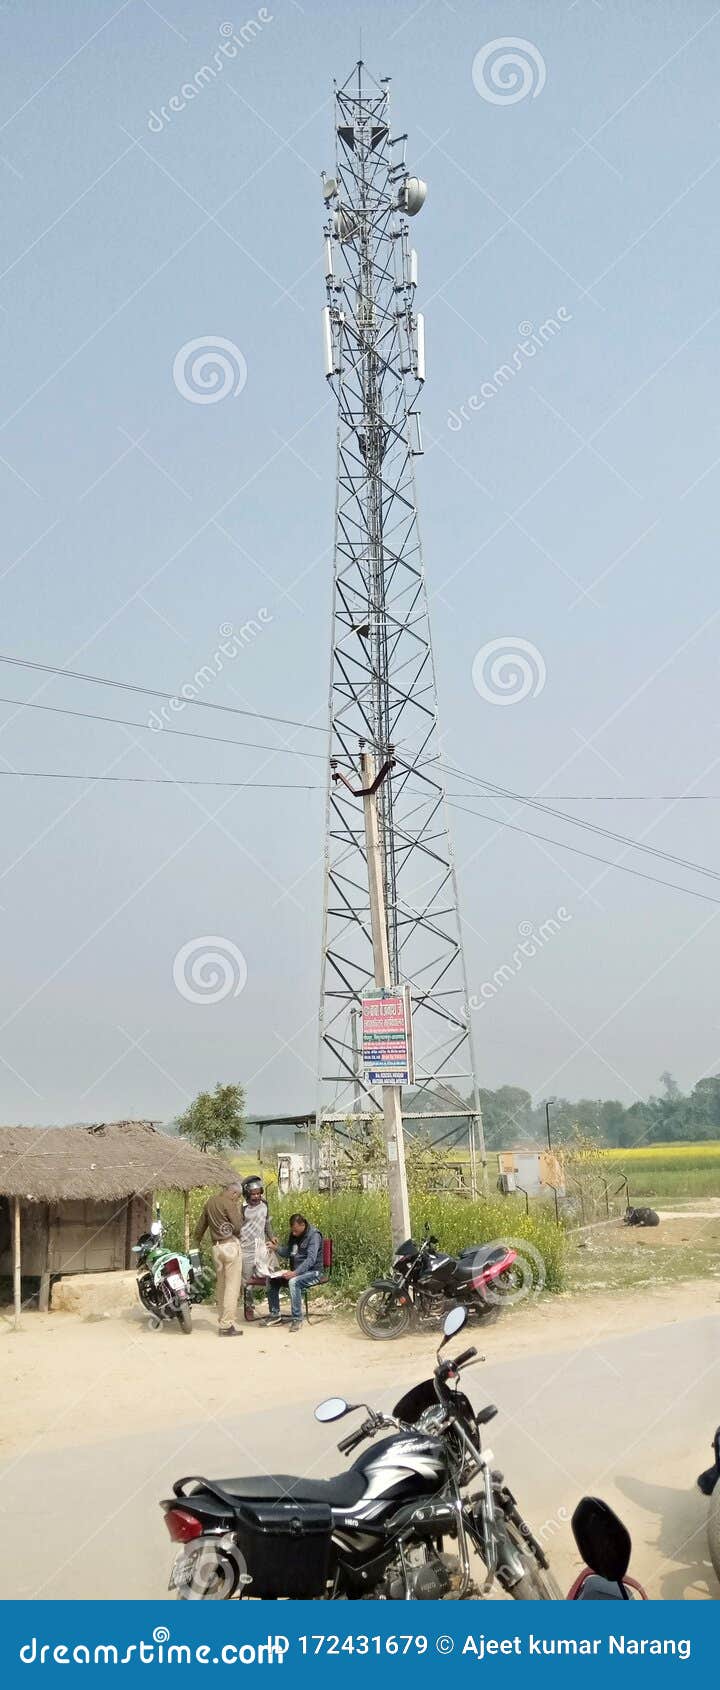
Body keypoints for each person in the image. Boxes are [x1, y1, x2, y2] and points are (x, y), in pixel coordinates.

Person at [194, 1180, 244, 1337]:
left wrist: (196, 1243)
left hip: (216, 1248)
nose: (237, 1199)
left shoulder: (210, 1202)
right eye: (238, 1196)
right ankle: (226, 1325)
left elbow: (200, 1227)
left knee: (221, 1285)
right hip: (230, 1246)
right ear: (234, 1192)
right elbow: (237, 1227)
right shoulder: (229, 1203)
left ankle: (222, 1319)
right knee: (232, 1287)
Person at [266, 1213, 323, 1333]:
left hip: (313, 1272)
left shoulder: (314, 1235)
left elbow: (311, 1260)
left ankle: (297, 1319)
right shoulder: (294, 1235)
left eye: (296, 1230)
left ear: (302, 1225)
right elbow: (288, 1252)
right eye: (292, 1230)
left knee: (293, 1282)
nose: (294, 1233)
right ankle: (275, 1315)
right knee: (271, 1279)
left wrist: (295, 1273)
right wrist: (276, 1248)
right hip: (297, 1272)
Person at [239, 1175, 278, 1297]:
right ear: (247, 1194)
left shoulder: (265, 1204)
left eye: (258, 1194)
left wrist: (271, 1236)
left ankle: (270, 1300)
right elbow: (237, 1226)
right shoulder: (242, 1207)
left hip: (260, 1246)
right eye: (253, 1194)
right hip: (246, 1248)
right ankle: (248, 1304)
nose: (256, 1196)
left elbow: (266, 1222)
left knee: (268, 1274)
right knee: (247, 1279)